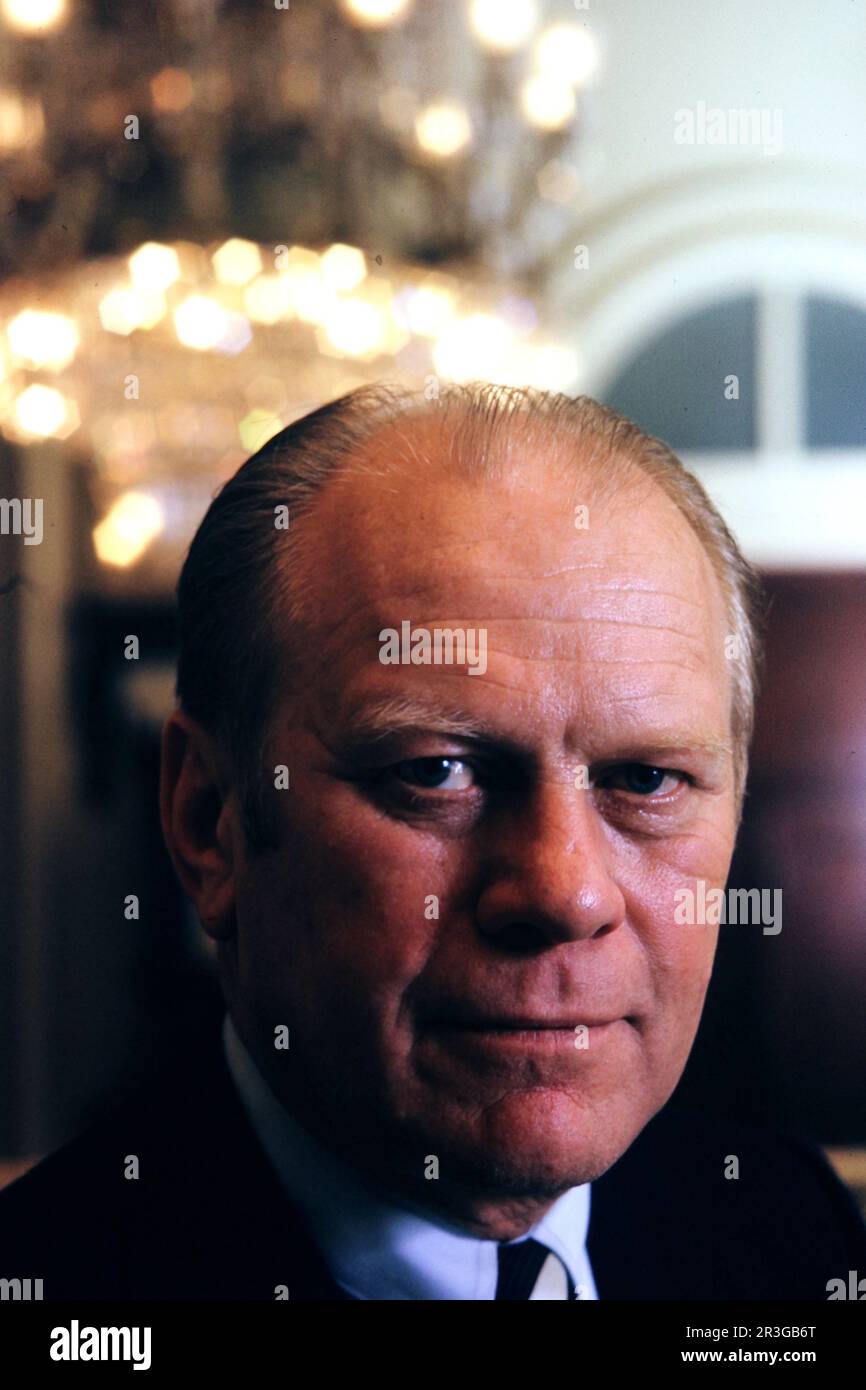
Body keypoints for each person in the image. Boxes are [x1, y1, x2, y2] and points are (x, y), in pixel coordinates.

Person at [1, 382, 864, 1300]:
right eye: (437, 772)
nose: (564, 893)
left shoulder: (789, 1235)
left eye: (645, 780)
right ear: (208, 820)